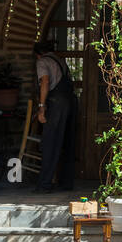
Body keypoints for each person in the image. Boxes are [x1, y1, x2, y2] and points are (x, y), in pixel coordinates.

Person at [33, 40, 77, 192]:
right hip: (70, 101)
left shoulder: (43, 62)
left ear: (38, 54)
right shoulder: (61, 61)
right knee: (68, 142)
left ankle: (44, 184)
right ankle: (66, 182)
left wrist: (41, 107)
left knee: (50, 142)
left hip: (56, 102)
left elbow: (45, 82)